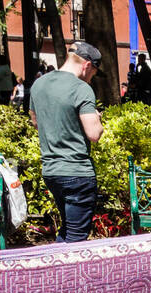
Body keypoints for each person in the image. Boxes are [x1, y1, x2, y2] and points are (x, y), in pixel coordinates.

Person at [30, 42, 104, 243]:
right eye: (93, 73)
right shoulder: (81, 89)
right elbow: (94, 134)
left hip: (51, 172)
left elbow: (36, 122)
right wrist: (97, 119)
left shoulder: (39, 84)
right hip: (77, 173)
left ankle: (53, 271)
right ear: (87, 65)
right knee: (76, 239)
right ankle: (62, 274)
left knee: (67, 231)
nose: (91, 78)